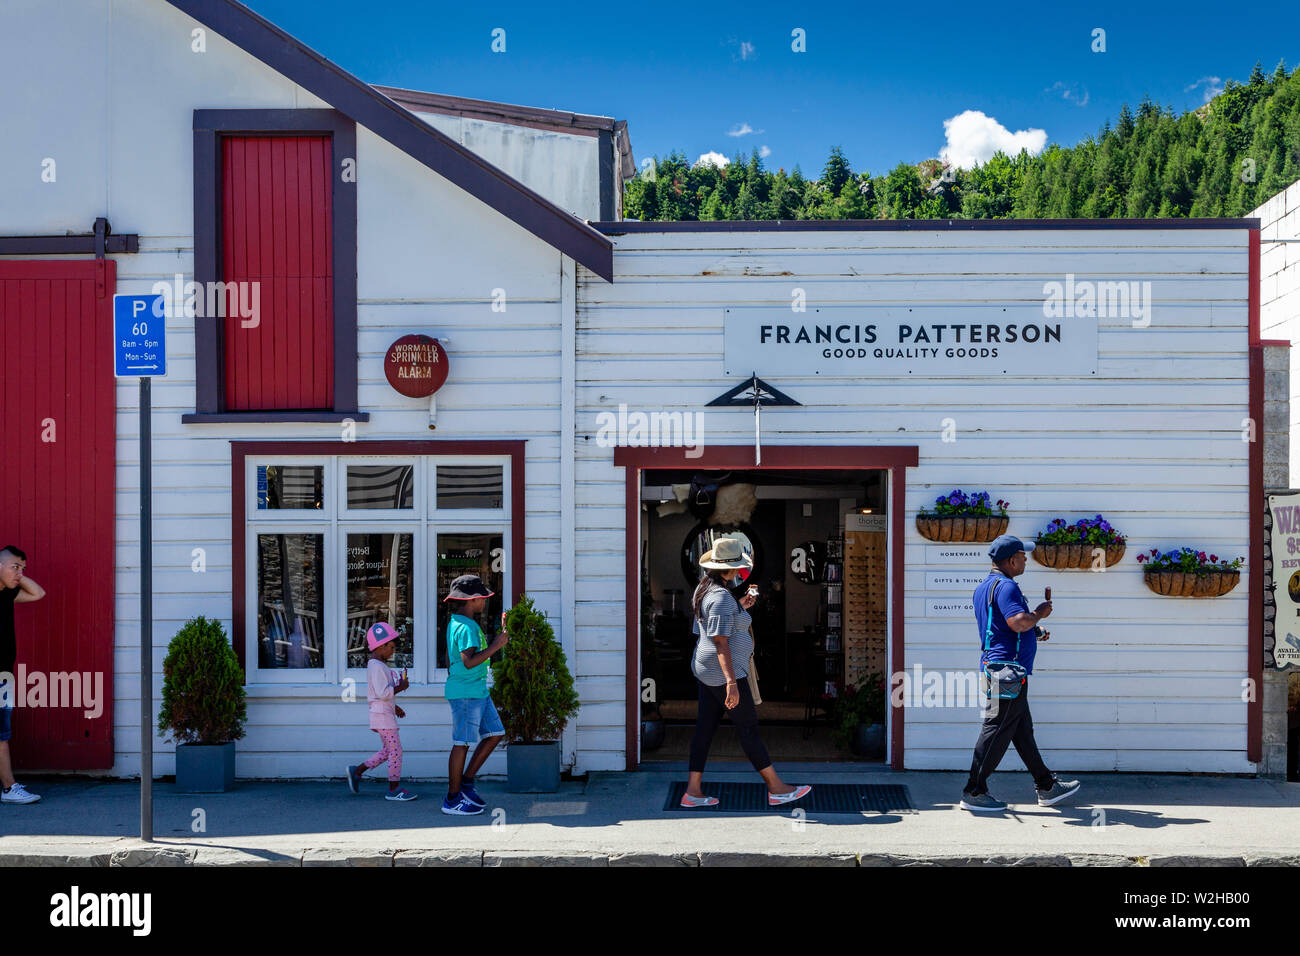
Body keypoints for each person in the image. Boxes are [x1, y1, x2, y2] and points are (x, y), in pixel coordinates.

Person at [682, 537, 810, 809]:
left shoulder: (705, 591)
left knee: (704, 728)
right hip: (723, 673)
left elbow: (703, 630)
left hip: (706, 670)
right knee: (748, 727)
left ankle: (692, 791)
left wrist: (740, 605)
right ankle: (776, 788)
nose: (740, 573)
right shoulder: (719, 598)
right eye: (737, 568)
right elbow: (720, 641)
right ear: (726, 570)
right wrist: (731, 683)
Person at [960, 534, 1080, 812]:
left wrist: (1034, 631)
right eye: (1023, 556)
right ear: (1011, 560)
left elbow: (1001, 626)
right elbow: (1016, 622)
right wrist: (1038, 614)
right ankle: (974, 791)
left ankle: (1047, 786)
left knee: (1022, 731)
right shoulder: (1007, 587)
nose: (1026, 559)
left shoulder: (985, 587)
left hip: (1002, 670)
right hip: (1007, 673)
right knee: (996, 729)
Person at [441, 574, 508, 816]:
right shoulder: (467, 626)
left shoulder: (455, 622)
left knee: (495, 733)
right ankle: (452, 798)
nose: (485, 602)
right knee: (461, 743)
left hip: (475, 690)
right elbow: (468, 661)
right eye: (482, 598)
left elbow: (450, 659)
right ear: (472, 600)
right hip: (468, 692)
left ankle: (466, 783)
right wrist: (498, 644)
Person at [345, 622, 415, 801]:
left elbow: (380, 693)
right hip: (382, 716)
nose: (393, 651)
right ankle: (394, 789)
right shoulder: (376, 666)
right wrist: (401, 686)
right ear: (380, 646)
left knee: (387, 751)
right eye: (390, 647)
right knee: (396, 751)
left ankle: (357, 771)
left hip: (383, 713)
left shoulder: (378, 665)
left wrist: (395, 706)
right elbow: (383, 693)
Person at [1, 545, 45, 805]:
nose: (20, 573)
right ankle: (9, 788)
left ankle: (9, 786)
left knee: (2, 733)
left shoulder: (7, 595)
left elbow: (38, 593)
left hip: (4, 674)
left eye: (23, 568)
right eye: (15, 566)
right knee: (1, 736)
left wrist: (16, 575)